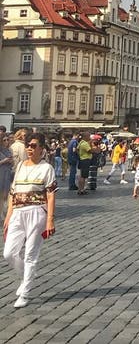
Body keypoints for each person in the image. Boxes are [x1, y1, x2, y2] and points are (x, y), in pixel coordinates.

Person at [3, 132, 56, 308]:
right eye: (28, 145)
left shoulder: (46, 168)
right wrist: (9, 215)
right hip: (18, 212)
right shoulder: (19, 167)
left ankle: (25, 292)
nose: (30, 149)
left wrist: (50, 219)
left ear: (42, 148)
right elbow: (13, 192)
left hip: (37, 211)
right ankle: (27, 276)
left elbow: (50, 194)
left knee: (30, 254)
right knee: (9, 253)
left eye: (34, 145)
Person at [0, 132, 13, 219]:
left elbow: (12, 163)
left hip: (7, 173)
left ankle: (3, 212)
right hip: (1, 172)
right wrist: (4, 161)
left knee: (5, 194)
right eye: (4, 140)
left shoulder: (9, 150)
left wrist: (11, 162)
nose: (7, 141)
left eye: (8, 140)